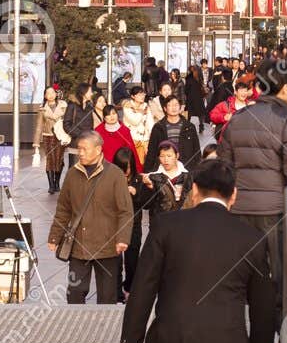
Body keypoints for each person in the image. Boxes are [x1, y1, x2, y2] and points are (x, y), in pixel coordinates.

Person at [118, 158, 278, 343]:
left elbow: (142, 290)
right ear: (233, 194)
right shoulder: (251, 238)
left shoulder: (165, 226)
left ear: (194, 190)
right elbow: (263, 306)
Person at [223, 60, 287, 309]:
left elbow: (225, 165)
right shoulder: (286, 120)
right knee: (283, 276)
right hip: (276, 210)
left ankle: (247, 328)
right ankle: (284, 326)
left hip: (239, 211)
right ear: (286, 87)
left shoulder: (237, 119)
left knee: (243, 276)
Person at [48, 131, 132, 304]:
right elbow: (63, 209)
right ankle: (76, 321)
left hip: (107, 246)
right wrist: (55, 236)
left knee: (107, 296)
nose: (80, 153)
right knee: (75, 293)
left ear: (98, 149)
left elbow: (125, 211)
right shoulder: (72, 174)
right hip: (79, 245)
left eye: (84, 149)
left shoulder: (115, 174)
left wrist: (122, 238)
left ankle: (104, 322)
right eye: (79, 148)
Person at [137, 140, 191, 233]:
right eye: (162, 156)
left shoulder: (188, 176)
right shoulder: (152, 177)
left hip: (183, 224)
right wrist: (149, 188)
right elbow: (146, 205)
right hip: (160, 225)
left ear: (177, 156)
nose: (166, 160)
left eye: (169, 156)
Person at [144, 95, 201, 172]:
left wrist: (197, 170)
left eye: (176, 105)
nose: (173, 108)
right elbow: (152, 151)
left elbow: (196, 150)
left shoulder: (189, 127)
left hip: (186, 168)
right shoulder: (158, 127)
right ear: (165, 108)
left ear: (180, 107)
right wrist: (147, 171)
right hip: (164, 168)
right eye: (170, 105)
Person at [36, 86, 70, 195]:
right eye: (48, 93)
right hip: (48, 135)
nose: (50, 95)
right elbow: (39, 126)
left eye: (52, 92)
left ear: (56, 94)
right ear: (45, 96)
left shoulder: (63, 105)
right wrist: (36, 142)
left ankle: (57, 183)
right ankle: (51, 185)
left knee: (59, 159)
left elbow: (68, 121)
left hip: (60, 136)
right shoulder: (42, 108)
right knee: (50, 159)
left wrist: (68, 135)